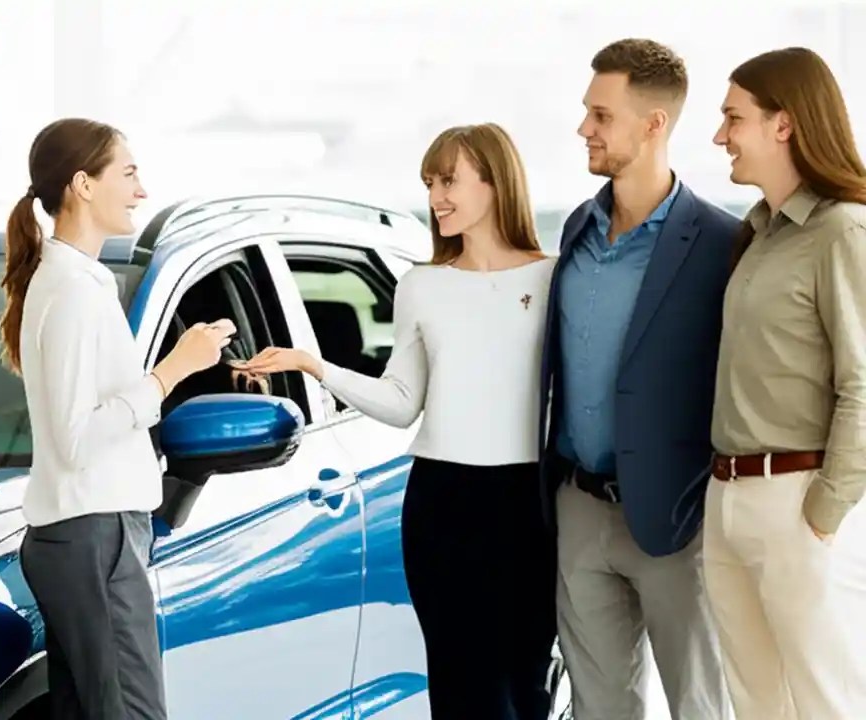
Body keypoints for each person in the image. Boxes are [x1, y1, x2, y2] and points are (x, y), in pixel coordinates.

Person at [241, 123, 558, 720]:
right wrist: (315, 366)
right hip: (443, 503)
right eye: (430, 183)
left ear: (495, 181)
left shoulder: (553, 278)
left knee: (525, 687)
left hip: (529, 504)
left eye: (448, 181)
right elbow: (402, 400)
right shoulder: (422, 285)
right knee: (465, 689)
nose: (435, 197)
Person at [0, 117, 236, 719]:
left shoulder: (73, 280)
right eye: (128, 174)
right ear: (83, 184)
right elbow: (77, 438)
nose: (141, 190)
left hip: (88, 535)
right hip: (95, 536)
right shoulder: (73, 289)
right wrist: (173, 370)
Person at [539, 38, 735, 719]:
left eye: (601, 115)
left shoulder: (720, 243)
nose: (583, 128)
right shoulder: (577, 229)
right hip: (577, 508)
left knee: (699, 705)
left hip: (676, 521)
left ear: (654, 124)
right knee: (598, 707)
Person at [707, 46, 866, 719]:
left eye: (733, 118)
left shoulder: (843, 231)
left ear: (784, 124)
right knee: (756, 705)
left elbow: (864, 384)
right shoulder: (759, 234)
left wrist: (824, 513)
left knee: (827, 702)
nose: (720, 136)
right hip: (727, 496)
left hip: (796, 500)